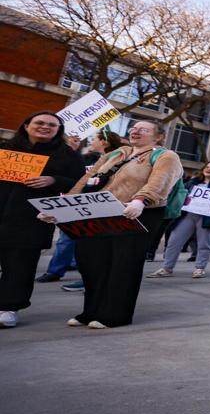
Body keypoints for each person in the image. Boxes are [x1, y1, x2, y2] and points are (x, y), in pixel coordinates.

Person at [50, 118, 183, 329]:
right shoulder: (115, 154)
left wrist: (141, 200)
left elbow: (161, 181)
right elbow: (88, 180)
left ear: (158, 136)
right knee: (91, 261)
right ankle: (91, 311)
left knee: (123, 264)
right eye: (134, 128)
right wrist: (63, 205)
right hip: (99, 212)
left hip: (137, 213)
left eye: (144, 129)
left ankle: (116, 314)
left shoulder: (166, 156)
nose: (136, 131)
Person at [0, 111, 88, 329]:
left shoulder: (67, 154)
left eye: (52, 125)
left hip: (31, 219)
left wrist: (54, 180)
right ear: (27, 125)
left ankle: (8, 308)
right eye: (39, 123)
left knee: (19, 265)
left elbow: (79, 183)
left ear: (58, 130)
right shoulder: (6, 148)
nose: (45, 127)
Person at [41, 131, 122, 291]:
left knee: (91, 244)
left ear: (104, 142)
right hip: (78, 202)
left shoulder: (118, 158)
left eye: (95, 139)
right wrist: (72, 149)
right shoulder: (88, 158)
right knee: (67, 237)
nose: (91, 141)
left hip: (99, 205)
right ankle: (56, 271)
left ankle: (87, 277)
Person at [150, 160, 210, 280]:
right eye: (207, 167)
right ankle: (167, 268)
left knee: (204, 244)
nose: (209, 169)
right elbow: (181, 195)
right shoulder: (193, 182)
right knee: (174, 241)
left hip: (208, 218)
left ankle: (200, 268)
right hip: (187, 215)